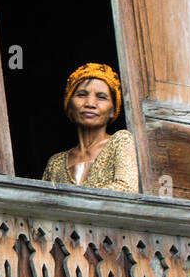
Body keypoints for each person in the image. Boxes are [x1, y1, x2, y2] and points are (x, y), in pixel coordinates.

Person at [41, 62, 140, 193]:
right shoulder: (55, 164)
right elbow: (43, 202)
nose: (90, 103)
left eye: (101, 97)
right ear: (69, 107)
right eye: (82, 95)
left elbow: (126, 189)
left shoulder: (120, 141)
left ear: (112, 111)